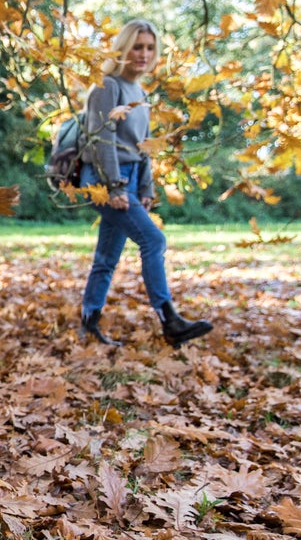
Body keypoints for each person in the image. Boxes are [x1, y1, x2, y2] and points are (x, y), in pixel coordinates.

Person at [77, 18, 213, 348]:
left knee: (107, 258)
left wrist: (146, 188)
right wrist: (116, 188)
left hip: (130, 179)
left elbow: (145, 144)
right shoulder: (107, 87)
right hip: (105, 180)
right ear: (123, 49)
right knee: (154, 240)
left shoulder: (140, 93)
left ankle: (88, 324)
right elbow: (102, 142)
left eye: (150, 48)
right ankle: (170, 320)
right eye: (137, 46)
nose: (143, 53)